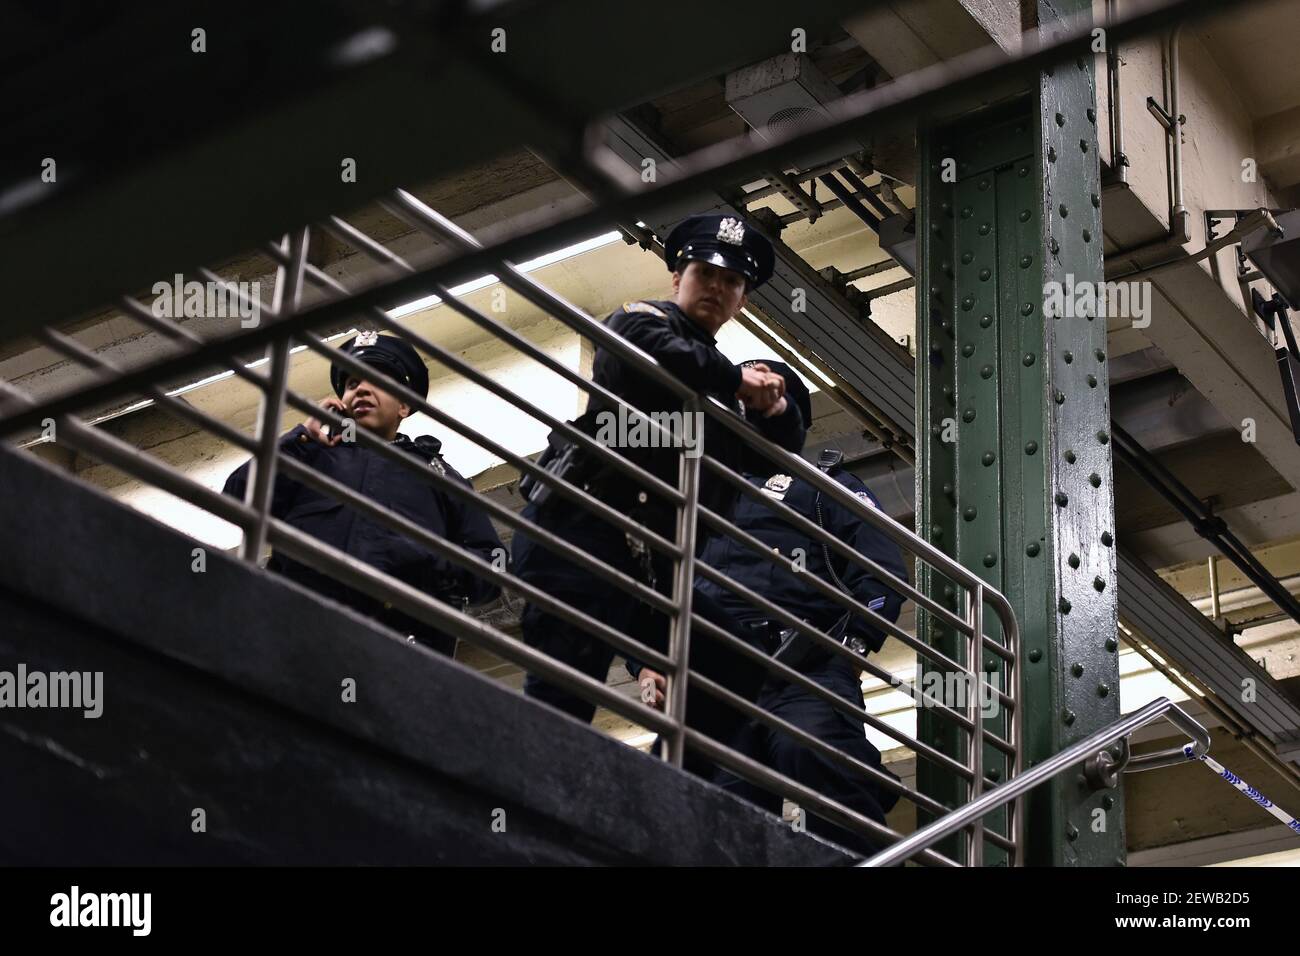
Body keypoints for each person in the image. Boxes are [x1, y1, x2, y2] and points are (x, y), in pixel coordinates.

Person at [510, 214, 806, 776]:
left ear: (743, 298)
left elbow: (778, 448)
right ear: (677, 277)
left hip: (651, 564)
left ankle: (664, 785)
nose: (717, 288)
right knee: (567, 689)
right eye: (704, 273)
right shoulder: (645, 321)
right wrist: (739, 382)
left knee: (733, 665)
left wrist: (775, 406)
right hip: (583, 532)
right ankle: (526, 811)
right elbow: (644, 346)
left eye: (732, 283)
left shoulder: (717, 397)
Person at [640, 427, 908, 854]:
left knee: (818, 763)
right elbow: (652, 589)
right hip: (715, 678)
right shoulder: (692, 498)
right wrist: (648, 662)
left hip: (804, 666)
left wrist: (855, 642)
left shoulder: (821, 483)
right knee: (718, 804)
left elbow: (882, 567)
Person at [223, 331, 504, 655]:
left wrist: (427, 563)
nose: (362, 389)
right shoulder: (310, 457)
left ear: (404, 405)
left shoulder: (437, 477)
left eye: (378, 380)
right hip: (295, 637)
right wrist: (300, 439)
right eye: (353, 383)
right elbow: (237, 496)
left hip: (401, 650)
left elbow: (492, 567)